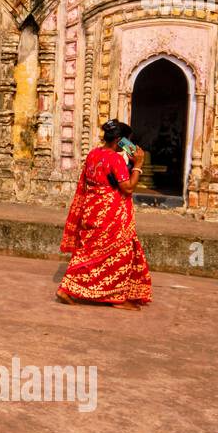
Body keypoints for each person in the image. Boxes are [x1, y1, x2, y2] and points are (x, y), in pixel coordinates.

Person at [57, 118, 153, 309]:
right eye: (126, 141)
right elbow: (128, 187)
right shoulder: (115, 159)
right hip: (111, 214)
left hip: (92, 210)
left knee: (87, 253)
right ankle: (114, 297)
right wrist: (138, 164)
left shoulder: (93, 153)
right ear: (119, 140)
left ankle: (68, 288)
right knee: (121, 254)